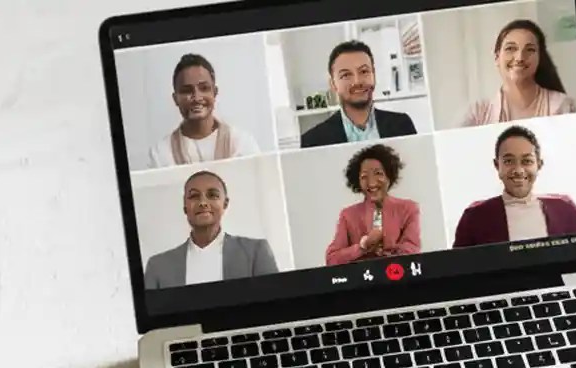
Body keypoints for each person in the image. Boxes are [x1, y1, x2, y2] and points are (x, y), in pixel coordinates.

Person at [453, 125, 576, 248]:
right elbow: (459, 270)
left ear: (539, 164)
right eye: (508, 161)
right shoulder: (475, 217)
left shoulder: (564, 208)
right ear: (497, 165)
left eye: (527, 161)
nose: (518, 170)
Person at [144, 171, 278, 288]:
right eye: (194, 196)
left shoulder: (256, 253)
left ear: (225, 204)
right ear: (185, 207)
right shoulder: (158, 267)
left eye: (212, 195)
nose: (203, 202)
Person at [147, 54, 259, 168]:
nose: (196, 98)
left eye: (204, 88)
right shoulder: (161, 154)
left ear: (214, 93)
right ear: (175, 99)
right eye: (187, 91)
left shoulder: (242, 144)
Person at [300, 41, 418, 148]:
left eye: (364, 71)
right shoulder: (312, 141)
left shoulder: (403, 125)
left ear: (374, 75)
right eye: (346, 75)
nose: (357, 81)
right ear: (333, 84)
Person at [461, 20, 576, 127]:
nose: (520, 57)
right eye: (510, 48)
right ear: (497, 57)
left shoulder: (562, 105)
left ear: (540, 57)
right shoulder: (477, 114)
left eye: (530, 49)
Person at [326, 144, 421, 265]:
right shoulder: (347, 215)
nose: (371, 183)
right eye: (364, 177)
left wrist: (385, 251)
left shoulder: (409, 208)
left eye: (378, 173)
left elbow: (412, 251)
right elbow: (332, 259)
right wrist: (363, 246)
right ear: (357, 181)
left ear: (389, 176)